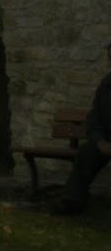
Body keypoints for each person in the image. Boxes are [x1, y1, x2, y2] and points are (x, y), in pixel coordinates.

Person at [55, 39, 111, 215]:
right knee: (87, 153)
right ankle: (72, 201)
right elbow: (95, 119)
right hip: (107, 141)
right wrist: (100, 141)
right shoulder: (107, 85)